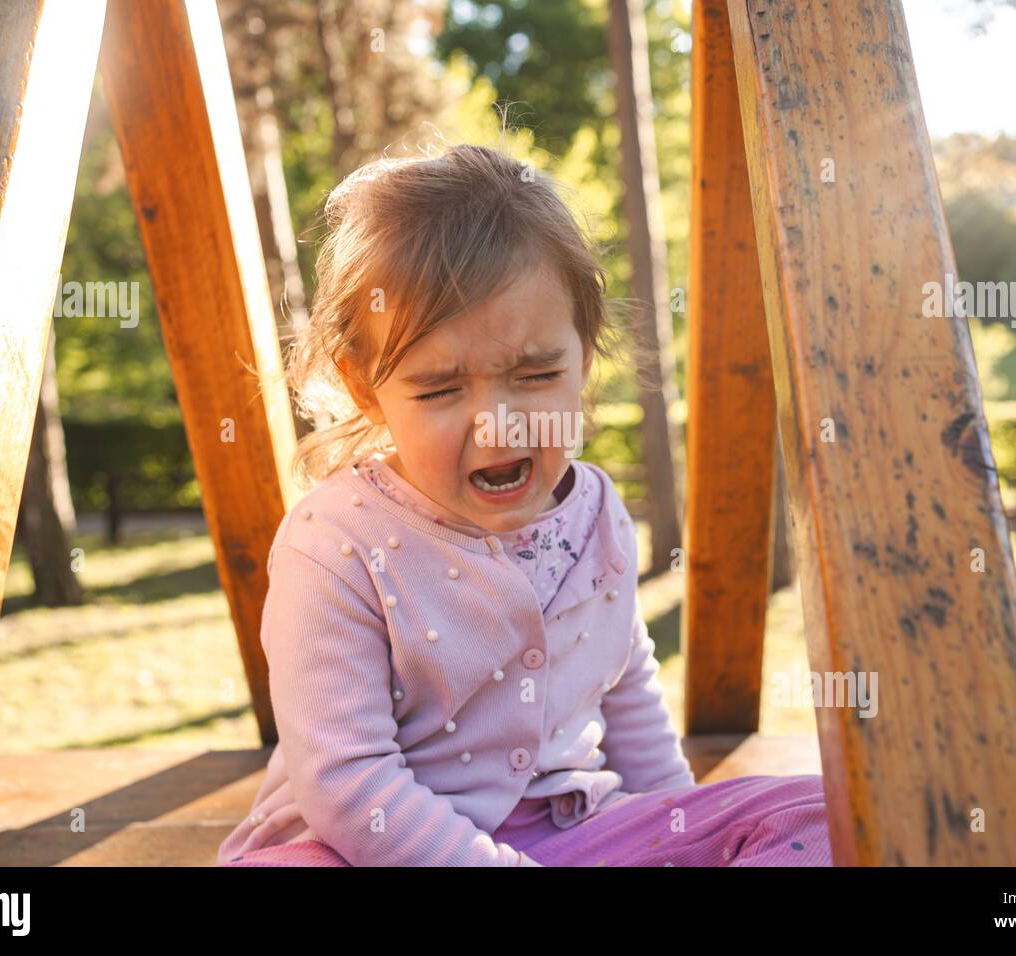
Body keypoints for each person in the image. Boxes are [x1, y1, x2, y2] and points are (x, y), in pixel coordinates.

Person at [217, 142, 831, 867]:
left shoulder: (596, 511)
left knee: (824, 813)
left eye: (537, 374)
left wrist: (677, 831)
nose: (498, 424)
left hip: (575, 832)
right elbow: (347, 782)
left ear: (584, 358)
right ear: (364, 387)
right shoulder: (335, 542)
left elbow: (625, 683)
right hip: (364, 847)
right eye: (441, 389)